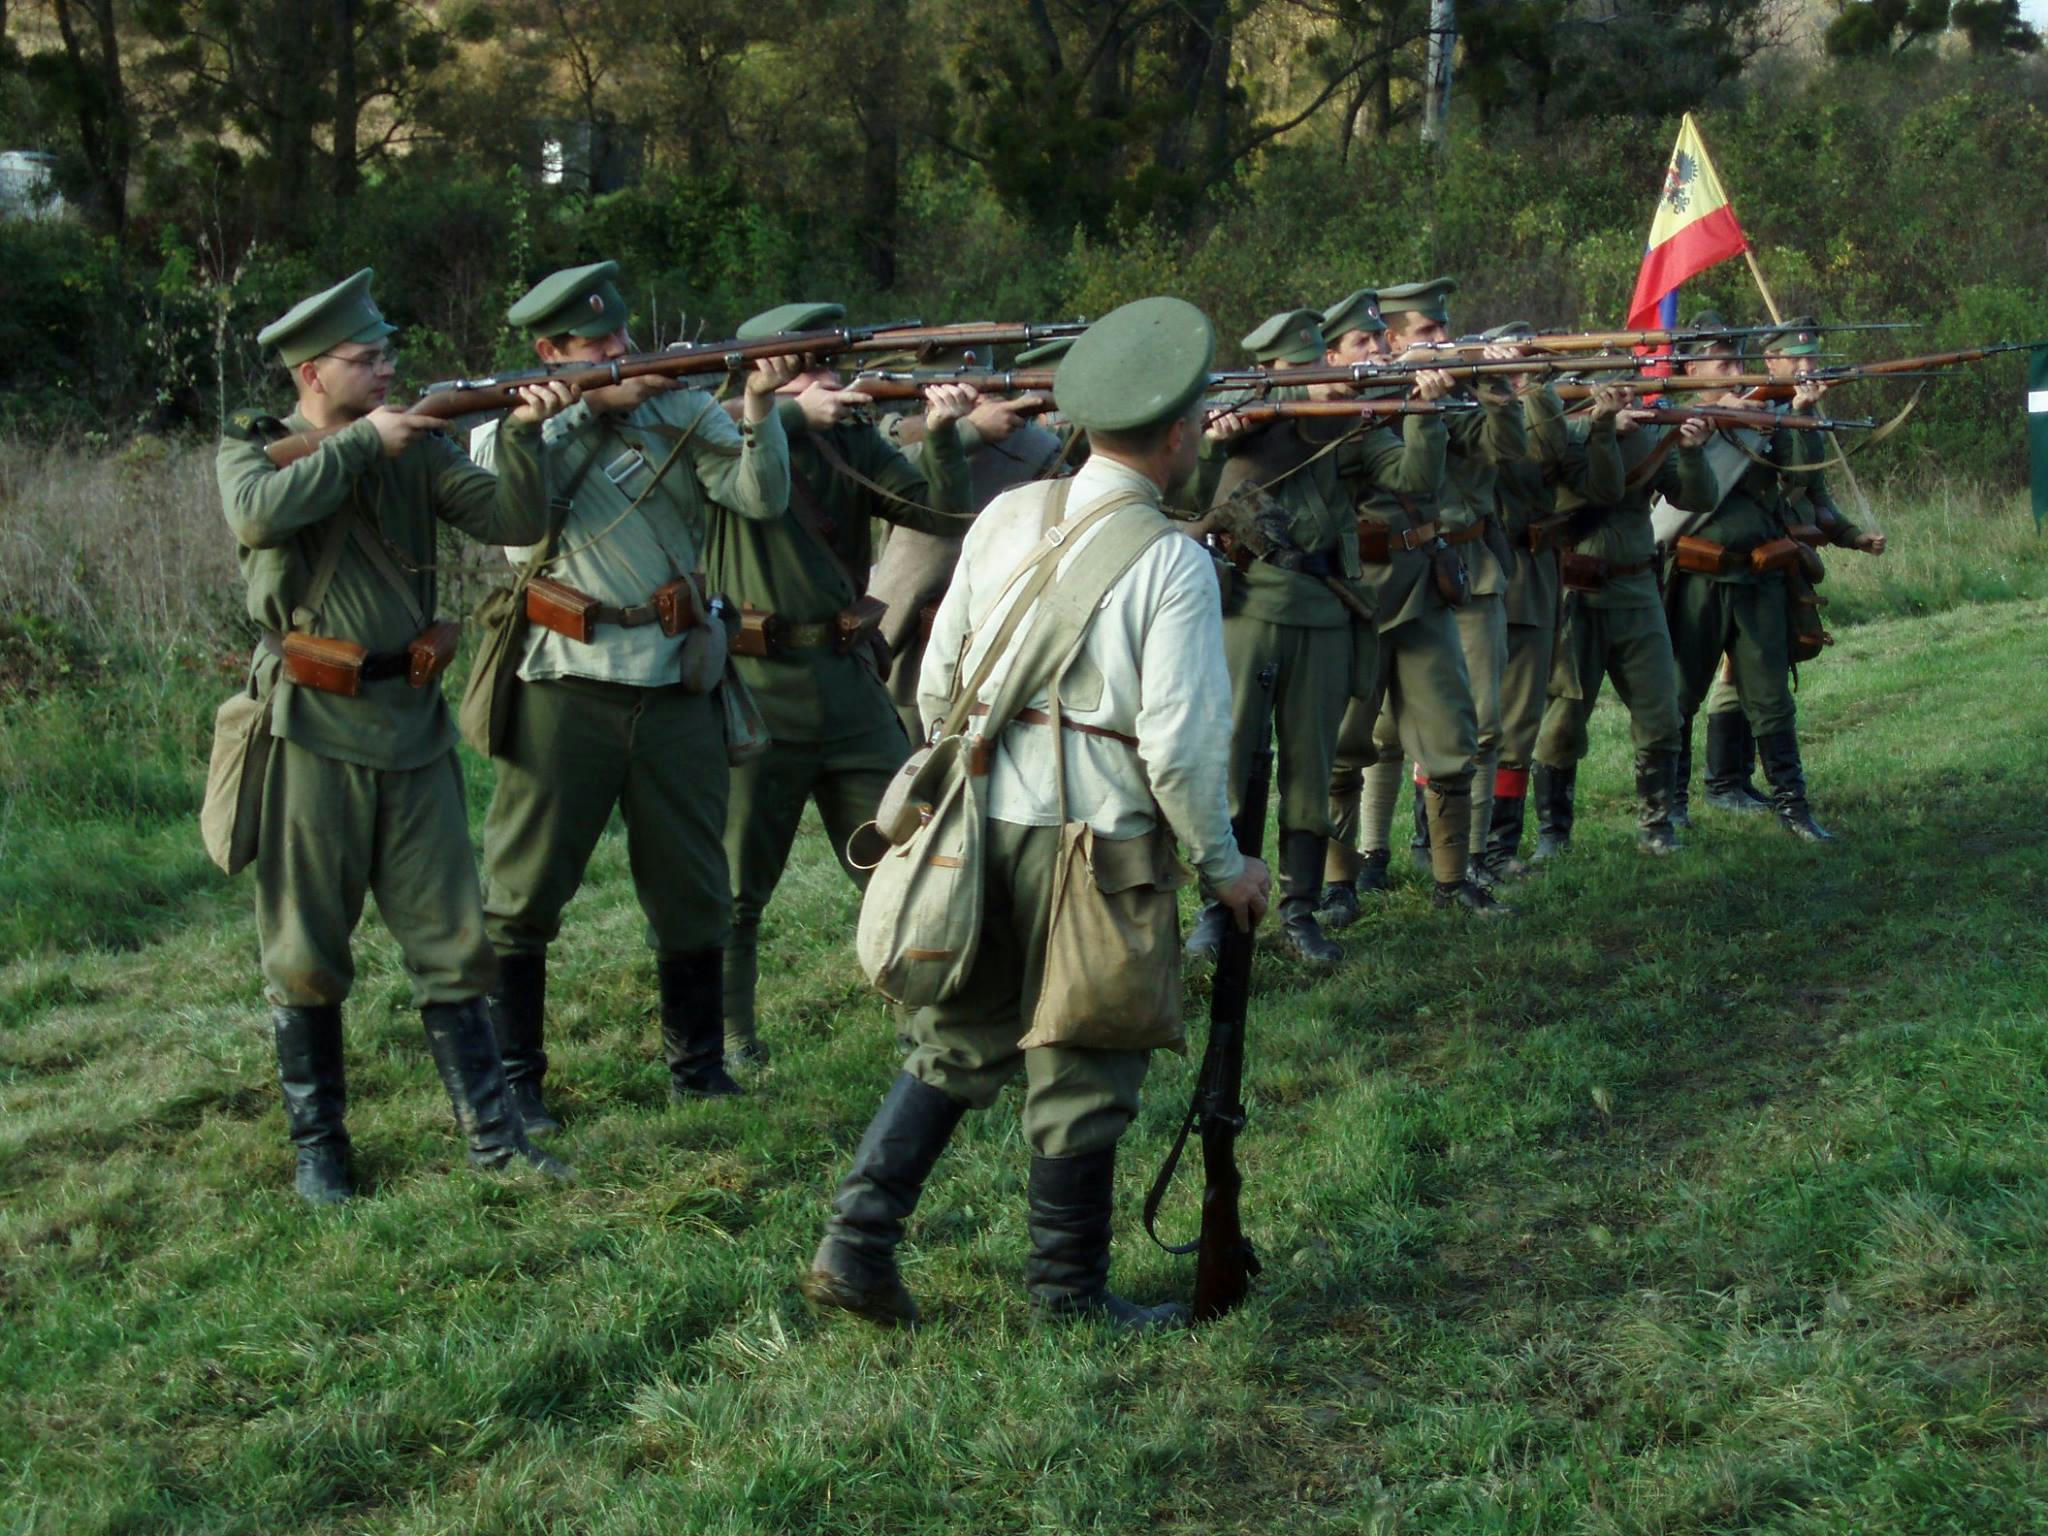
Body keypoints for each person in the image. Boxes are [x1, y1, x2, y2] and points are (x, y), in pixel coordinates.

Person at [802, 296, 1271, 1331]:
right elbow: (1183, 749)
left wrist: (975, 773)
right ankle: (1067, 1297)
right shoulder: (1172, 563)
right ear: (1183, 431)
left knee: (958, 1037)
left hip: (979, 819)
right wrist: (1221, 865)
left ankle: (856, 1241)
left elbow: (938, 681)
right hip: (1100, 846)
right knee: (1088, 1057)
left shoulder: (1008, 515)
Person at [216, 268, 577, 1203]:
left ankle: (495, 1140)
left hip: (413, 726)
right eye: (364, 358)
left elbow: (516, 519)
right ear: (309, 373)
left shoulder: (418, 451)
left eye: (387, 355)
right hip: (310, 726)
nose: (385, 370)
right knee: (304, 949)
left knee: (453, 939)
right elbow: (258, 515)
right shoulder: (255, 453)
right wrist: (363, 445)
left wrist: (527, 435)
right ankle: (320, 1154)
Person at [470, 261, 797, 1126]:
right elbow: (517, 532)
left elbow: (760, 499)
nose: (620, 352)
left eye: (622, 337)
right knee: (524, 894)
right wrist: (581, 411)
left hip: (678, 679)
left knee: (693, 883)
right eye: (597, 344)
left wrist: (759, 409)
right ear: (551, 352)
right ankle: (515, 1082)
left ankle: (697, 1066)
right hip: (564, 685)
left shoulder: (681, 409)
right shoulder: (511, 429)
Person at [707, 301, 976, 1068]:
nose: (832, 379)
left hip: (848, 677)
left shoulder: (851, 438)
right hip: (756, 683)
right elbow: (750, 480)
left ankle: (928, 1021)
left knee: (904, 850)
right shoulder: (726, 435)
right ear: (771, 373)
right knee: (736, 883)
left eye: (831, 363)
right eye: (813, 365)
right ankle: (729, 1042)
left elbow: (940, 511)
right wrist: (789, 417)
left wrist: (946, 434)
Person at [1189, 308, 1375, 971]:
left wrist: (1420, 411)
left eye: (1321, 361)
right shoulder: (1237, 421)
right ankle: (1218, 908)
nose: (1318, 375)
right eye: (1300, 367)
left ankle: (1300, 910)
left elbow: (1408, 475)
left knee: (1310, 767)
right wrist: (1218, 438)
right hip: (1250, 609)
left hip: (1323, 611)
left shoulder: (1353, 415)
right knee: (1232, 762)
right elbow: (1188, 494)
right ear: (1267, 373)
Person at [1314, 283, 1504, 919]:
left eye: (1378, 338)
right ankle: (1338, 885)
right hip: (1352, 596)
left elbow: (1424, 477)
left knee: (1452, 733)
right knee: (1342, 746)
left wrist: (1427, 405)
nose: (1375, 350)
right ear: (1331, 357)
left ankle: (1452, 881)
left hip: (1422, 586)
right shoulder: (1311, 415)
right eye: (1362, 342)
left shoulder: (1415, 398)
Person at [1696, 315, 1886, 825]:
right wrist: (1792, 412)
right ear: (1772, 362)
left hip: (1771, 562)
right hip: (1713, 568)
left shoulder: (1786, 414)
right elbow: (1775, 472)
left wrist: (1853, 537)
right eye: (1795, 359)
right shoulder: (1742, 414)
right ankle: (1713, 786)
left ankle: (1750, 788)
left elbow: (1811, 494)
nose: (1807, 367)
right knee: (1712, 680)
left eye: (1812, 358)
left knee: (1757, 678)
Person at [1661, 313, 1838, 844]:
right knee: (1677, 695)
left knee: (1771, 697)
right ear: (1691, 368)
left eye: (1739, 361)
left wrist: (1799, 414)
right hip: (1696, 577)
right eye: (1723, 362)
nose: (1735, 371)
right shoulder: (1672, 420)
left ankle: (1793, 807)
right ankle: (1670, 808)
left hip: (1758, 575)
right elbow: (1675, 490)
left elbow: (1798, 477)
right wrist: (1713, 420)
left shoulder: (1765, 415)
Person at [1528, 399, 1717, 858]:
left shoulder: (1650, 437)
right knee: (1563, 718)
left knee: (1660, 710)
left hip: (1636, 588)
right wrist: (1599, 429)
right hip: (1576, 592)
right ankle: (1554, 834)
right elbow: (1566, 477)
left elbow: (1699, 498)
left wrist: (1692, 451)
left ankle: (1657, 826)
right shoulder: (1564, 433)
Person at [1482, 324, 1628, 874]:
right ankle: (1443, 845)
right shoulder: (1477, 409)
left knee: (1518, 724)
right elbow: (1527, 446)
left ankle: (1497, 847)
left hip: (1533, 579)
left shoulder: (1546, 413)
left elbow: (1603, 489)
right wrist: (1523, 386)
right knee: (1465, 722)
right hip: (1482, 575)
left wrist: (1604, 428)